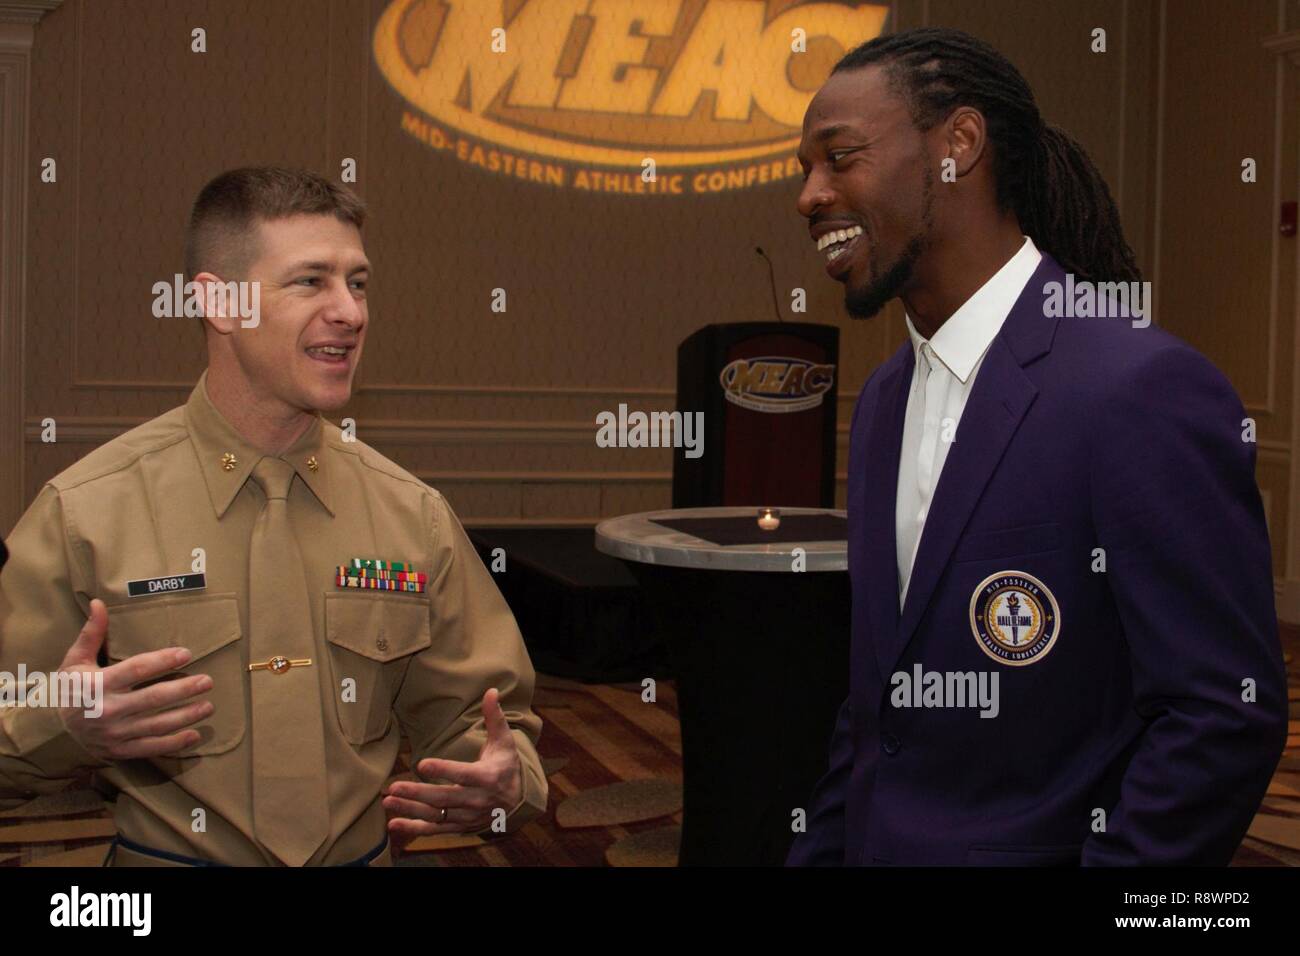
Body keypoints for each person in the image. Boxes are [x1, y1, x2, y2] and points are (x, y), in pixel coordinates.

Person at [787, 28, 1287, 866]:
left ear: (959, 145)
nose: (809, 195)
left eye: (840, 158)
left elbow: (1221, 718)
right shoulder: (881, 403)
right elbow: (876, 706)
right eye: (804, 169)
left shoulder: (1139, 388)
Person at [0, 167, 547, 866]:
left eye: (358, 282)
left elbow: (486, 718)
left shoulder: (414, 515)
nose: (351, 312)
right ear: (219, 302)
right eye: (311, 281)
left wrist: (502, 781)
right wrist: (63, 726)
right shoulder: (85, 513)